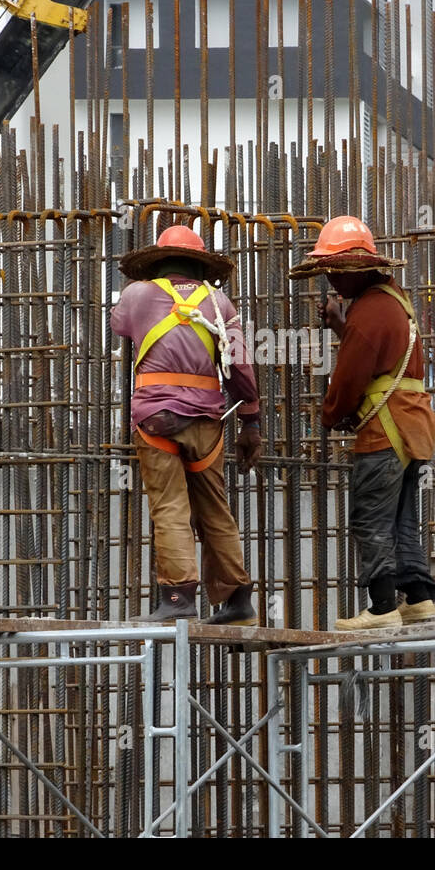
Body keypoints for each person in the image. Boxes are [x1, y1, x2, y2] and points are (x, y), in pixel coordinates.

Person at [289, 215, 435, 630]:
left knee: (369, 518)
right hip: (412, 427)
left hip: (385, 432)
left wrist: (330, 413)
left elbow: (352, 376)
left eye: (336, 272)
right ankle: (420, 597)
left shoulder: (370, 311)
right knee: (402, 519)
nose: (333, 281)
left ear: (357, 270)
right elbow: (381, 357)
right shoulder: (393, 300)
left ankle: (382, 605)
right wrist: (343, 325)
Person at [111, 225, 263, 624]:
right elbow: (241, 369)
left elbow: (119, 325)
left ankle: (178, 601)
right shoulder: (221, 304)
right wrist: (252, 423)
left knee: (171, 508)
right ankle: (237, 600)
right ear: (200, 266)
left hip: (158, 419)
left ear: (159, 262)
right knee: (215, 508)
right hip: (207, 422)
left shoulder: (138, 295)